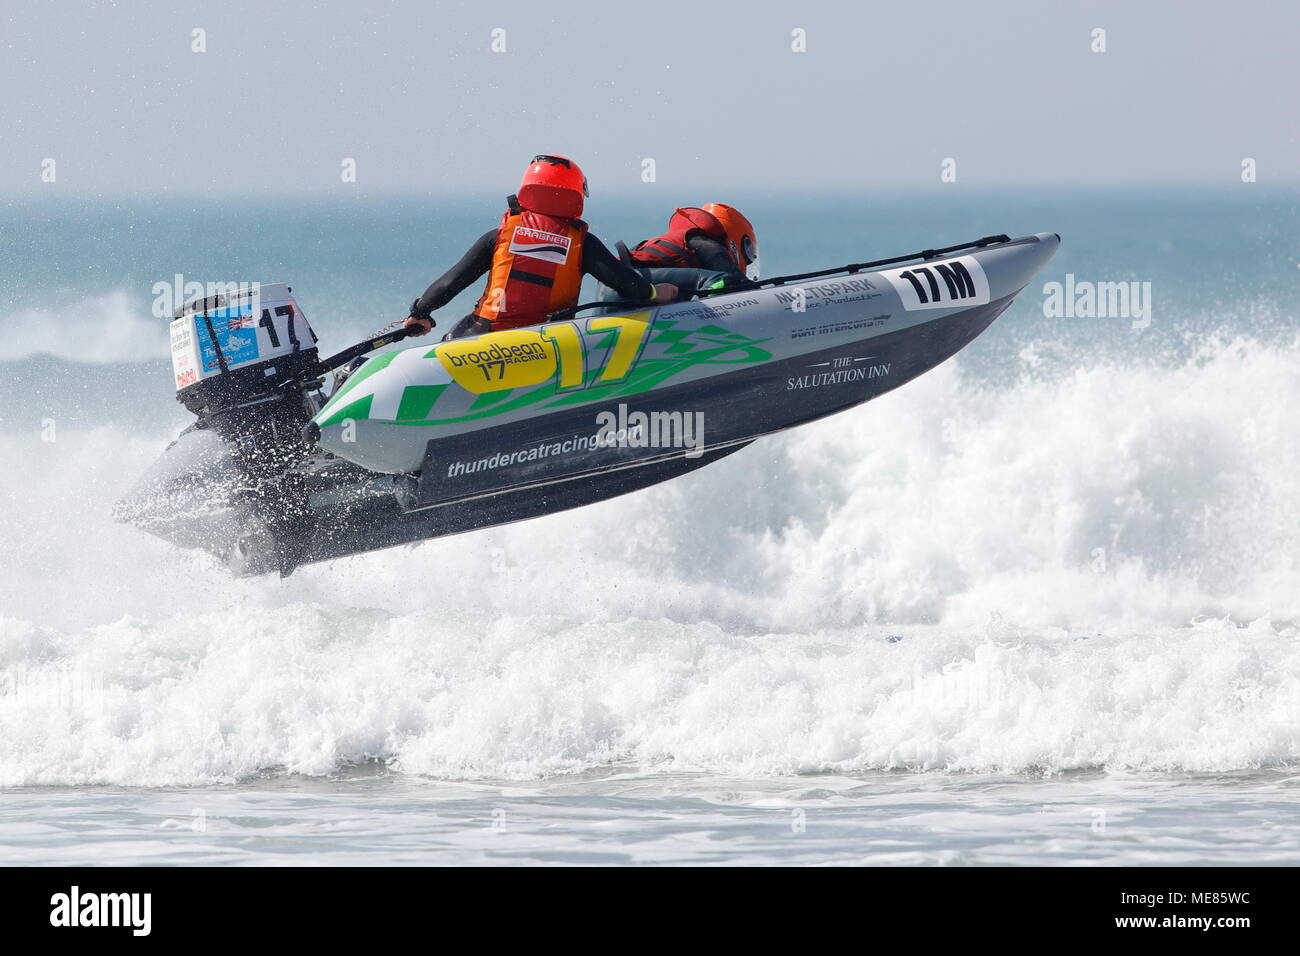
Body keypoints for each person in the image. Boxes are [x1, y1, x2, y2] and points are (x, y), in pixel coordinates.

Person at [403, 155, 676, 339]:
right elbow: (627, 284)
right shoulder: (582, 244)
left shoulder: (499, 236)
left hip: (483, 335)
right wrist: (655, 292)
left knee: (454, 334)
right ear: (576, 193)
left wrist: (420, 313)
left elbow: (451, 282)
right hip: (545, 342)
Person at [597, 203, 760, 308]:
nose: (748, 259)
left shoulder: (669, 243)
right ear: (736, 240)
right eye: (749, 252)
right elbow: (736, 280)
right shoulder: (702, 241)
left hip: (606, 292)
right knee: (724, 281)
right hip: (633, 284)